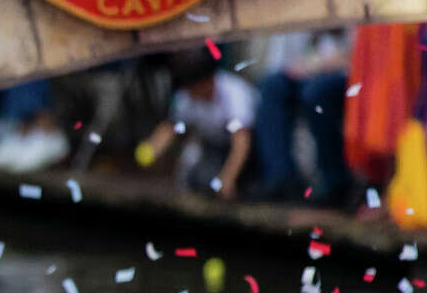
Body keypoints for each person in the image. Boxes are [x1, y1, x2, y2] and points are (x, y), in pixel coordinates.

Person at [135, 52, 257, 199]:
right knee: (198, 176)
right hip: (214, 149)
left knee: (246, 186)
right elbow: (170, 128)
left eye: (192, 88)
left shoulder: (234, 94)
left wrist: (228, 178)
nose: (189, 93)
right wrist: (151, 150)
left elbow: (241, 143)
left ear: (208, 80)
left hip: (251, 150)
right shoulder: (186, 96)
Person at [251, 29, 351, 205]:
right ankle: (281, 179)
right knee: (271, 86)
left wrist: (321, 64)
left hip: (344, 75)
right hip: (309, 72)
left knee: (316, 93)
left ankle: (335, 183)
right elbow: (279, 63)